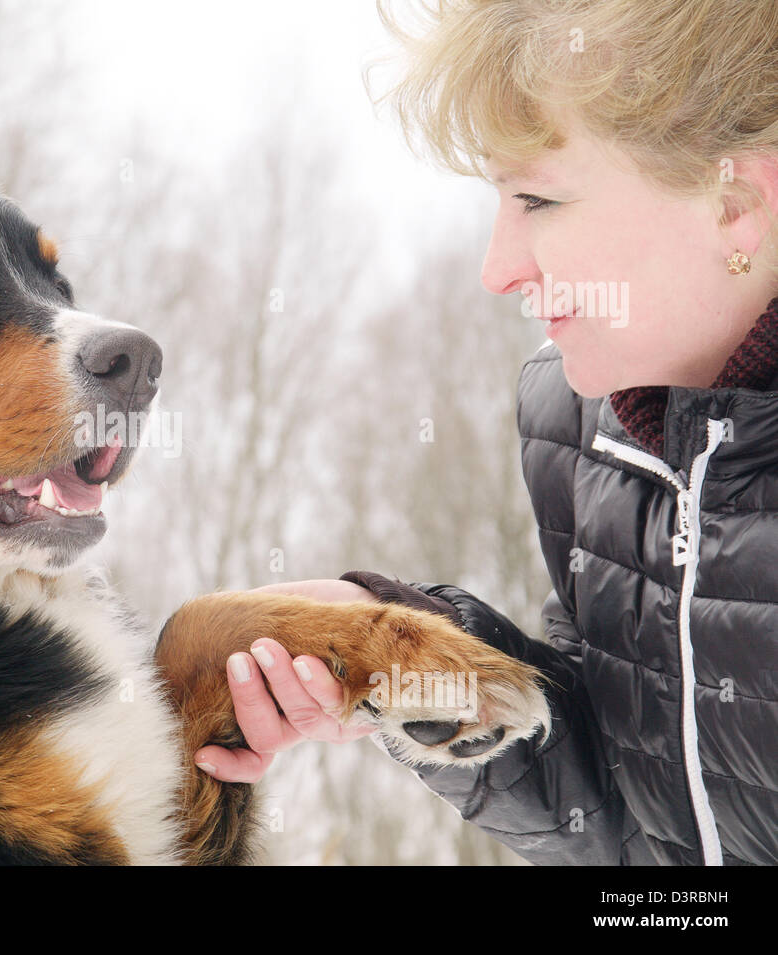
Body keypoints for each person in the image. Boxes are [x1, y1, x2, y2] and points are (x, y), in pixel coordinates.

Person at [197, 0, 778, 865]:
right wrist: (410, 652)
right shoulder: (577, 419)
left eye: (538, 198)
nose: (498, 269)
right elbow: (632, 824)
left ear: (734, 202)